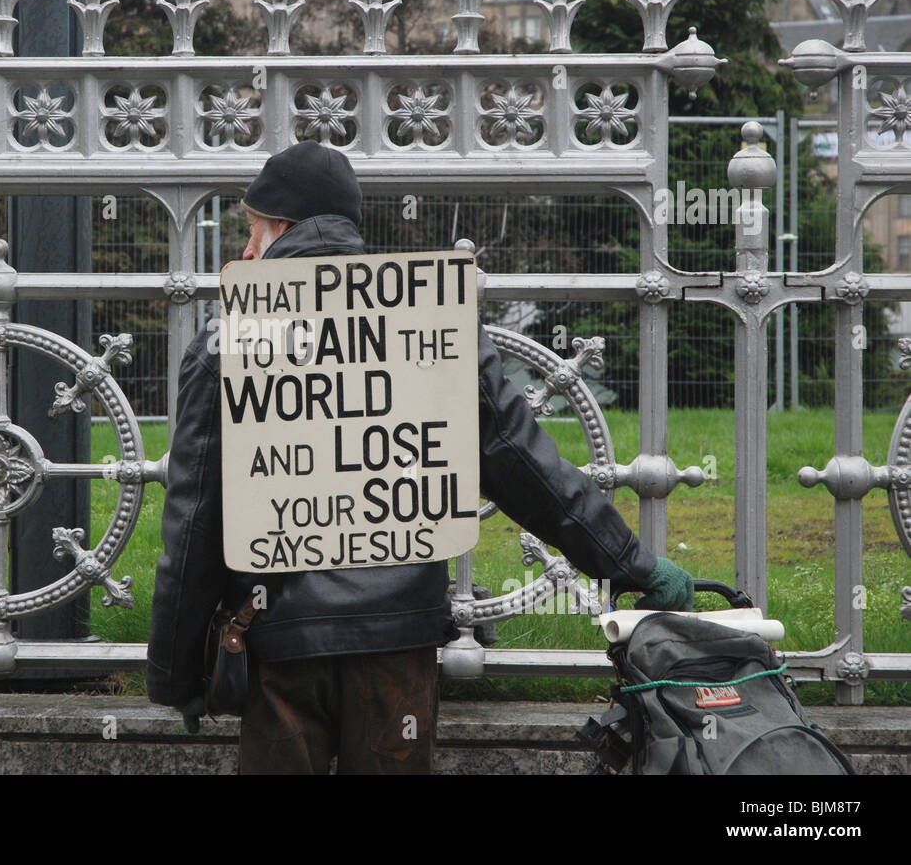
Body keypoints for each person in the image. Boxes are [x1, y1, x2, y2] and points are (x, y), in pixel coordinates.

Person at [146, 140, 693, 774]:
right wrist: (629, 563)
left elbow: (194, 517)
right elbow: (522, 461)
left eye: (251, 230)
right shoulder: (433, 318)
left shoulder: (229, 336)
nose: (244, 251)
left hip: (276, 636)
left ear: (285, 229)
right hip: (397, 640)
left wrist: (177, 670)